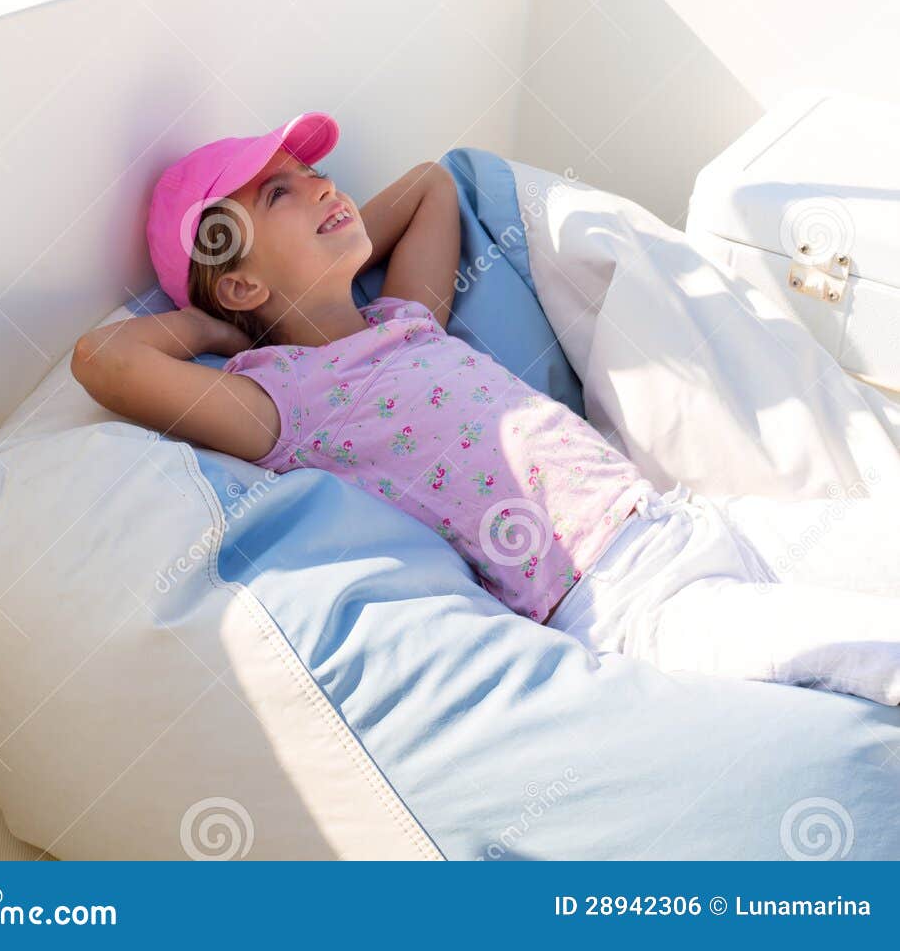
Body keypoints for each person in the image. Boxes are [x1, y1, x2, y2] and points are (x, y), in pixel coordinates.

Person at [72, 111, 900, 704]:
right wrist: (213, 321)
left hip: (685, 522)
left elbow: (435, 185)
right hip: (619, 601)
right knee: (869, 648)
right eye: (280, 193)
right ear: (242, 277)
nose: (323, 183)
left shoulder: (403, 320)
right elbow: (104, 360)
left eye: (314, 171)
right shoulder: (282, 400)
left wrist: (313, 238)